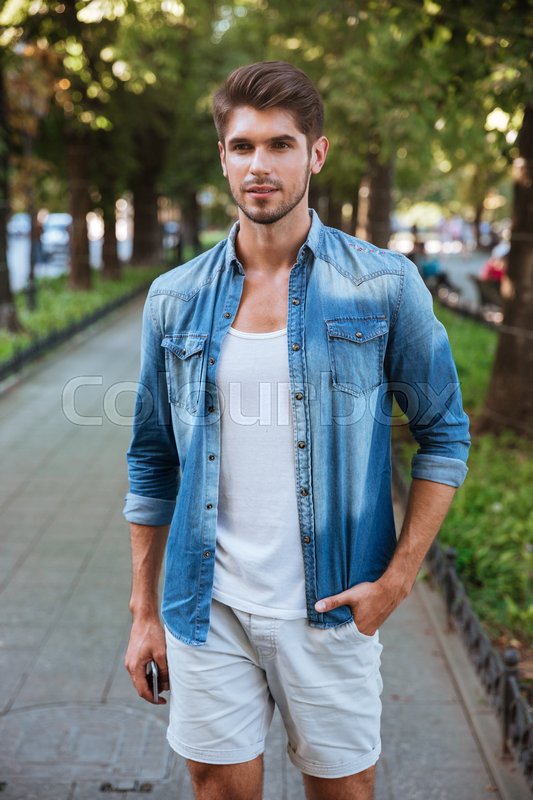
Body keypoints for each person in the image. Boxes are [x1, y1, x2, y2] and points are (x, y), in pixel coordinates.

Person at [123, 61, 470, 800]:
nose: (259, 165)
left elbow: (444, 435)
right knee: (218, 789)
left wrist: (398, 579)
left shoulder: (380, 284)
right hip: (204, 603)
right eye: (242, 146)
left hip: (332, 605)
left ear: (315, 153)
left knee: (341, 792)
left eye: (279, 145)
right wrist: (144, 612)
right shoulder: (174, 298)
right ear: (223, 157)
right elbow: (152, 463)